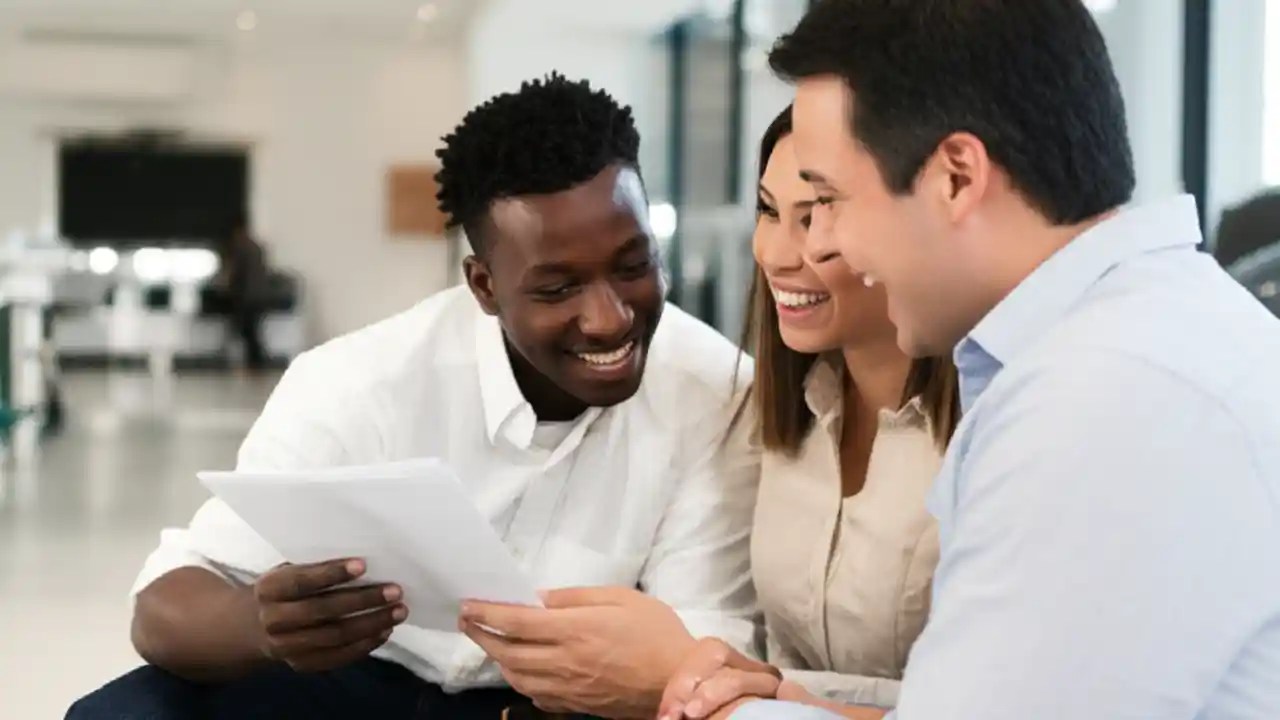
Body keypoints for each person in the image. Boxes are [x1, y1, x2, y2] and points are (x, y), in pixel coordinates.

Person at [66, 73, 759, 720]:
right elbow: (163, 607)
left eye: (634, 266)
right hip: (362, 681)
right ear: (483, 286)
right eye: (556, 289)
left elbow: (705, 643)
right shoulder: (362, 381)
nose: (609, 317)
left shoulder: (713, 392)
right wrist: (261, 624)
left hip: (579, 702)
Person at [666, 0, 1280, 718]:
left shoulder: (1102, 403)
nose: (832, 248)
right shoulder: (1140, 336)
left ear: (957, 177)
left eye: (831, 200)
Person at [650, 107, 959, 720]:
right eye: (769, 211)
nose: (781, 254)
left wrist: (792, 701)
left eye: (819, 214)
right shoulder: (771, 414)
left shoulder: (988, 426)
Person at [211, 215, 272, 369]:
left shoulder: (241, 247)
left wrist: (224, 286)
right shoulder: (256, 247)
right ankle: (256, 363)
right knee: (252, 331)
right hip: (260, 295)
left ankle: (255, 364)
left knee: (247, 331)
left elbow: (234, 273)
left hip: (247, 296)